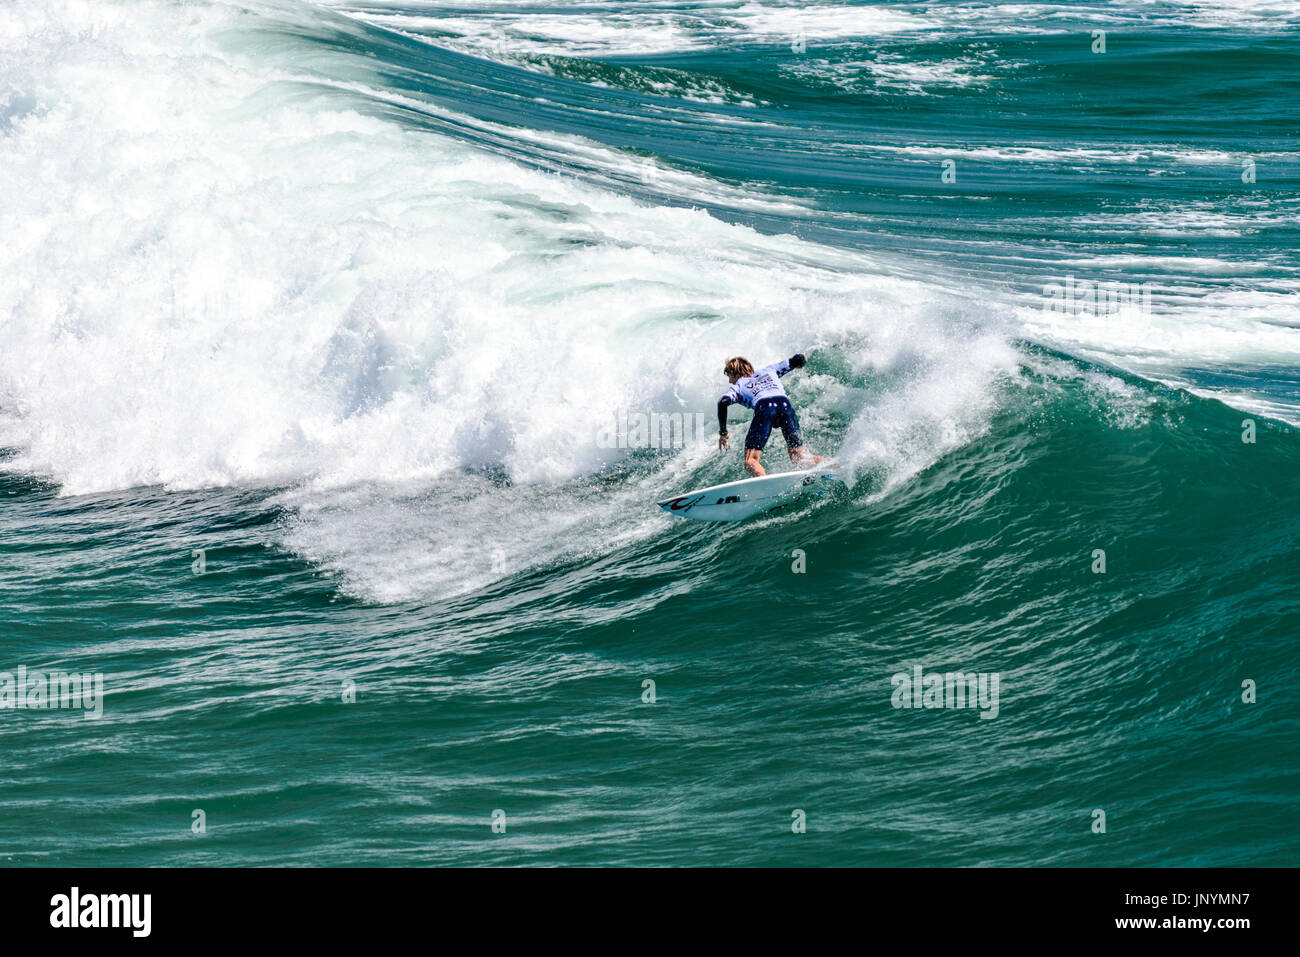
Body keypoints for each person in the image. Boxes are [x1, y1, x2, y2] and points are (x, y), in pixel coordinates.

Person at [717, 353, 823, 477]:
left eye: (730, 377)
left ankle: (765, 489)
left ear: (736, 373)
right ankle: (834, 465)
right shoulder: (770, 370)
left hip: (765, 407)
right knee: (798, 457)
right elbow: (798, 359)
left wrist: (723, 433)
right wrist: (803, 360)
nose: (730, 381)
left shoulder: (738, 386)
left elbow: (723, 402)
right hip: (785, 405)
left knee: (751, 461)